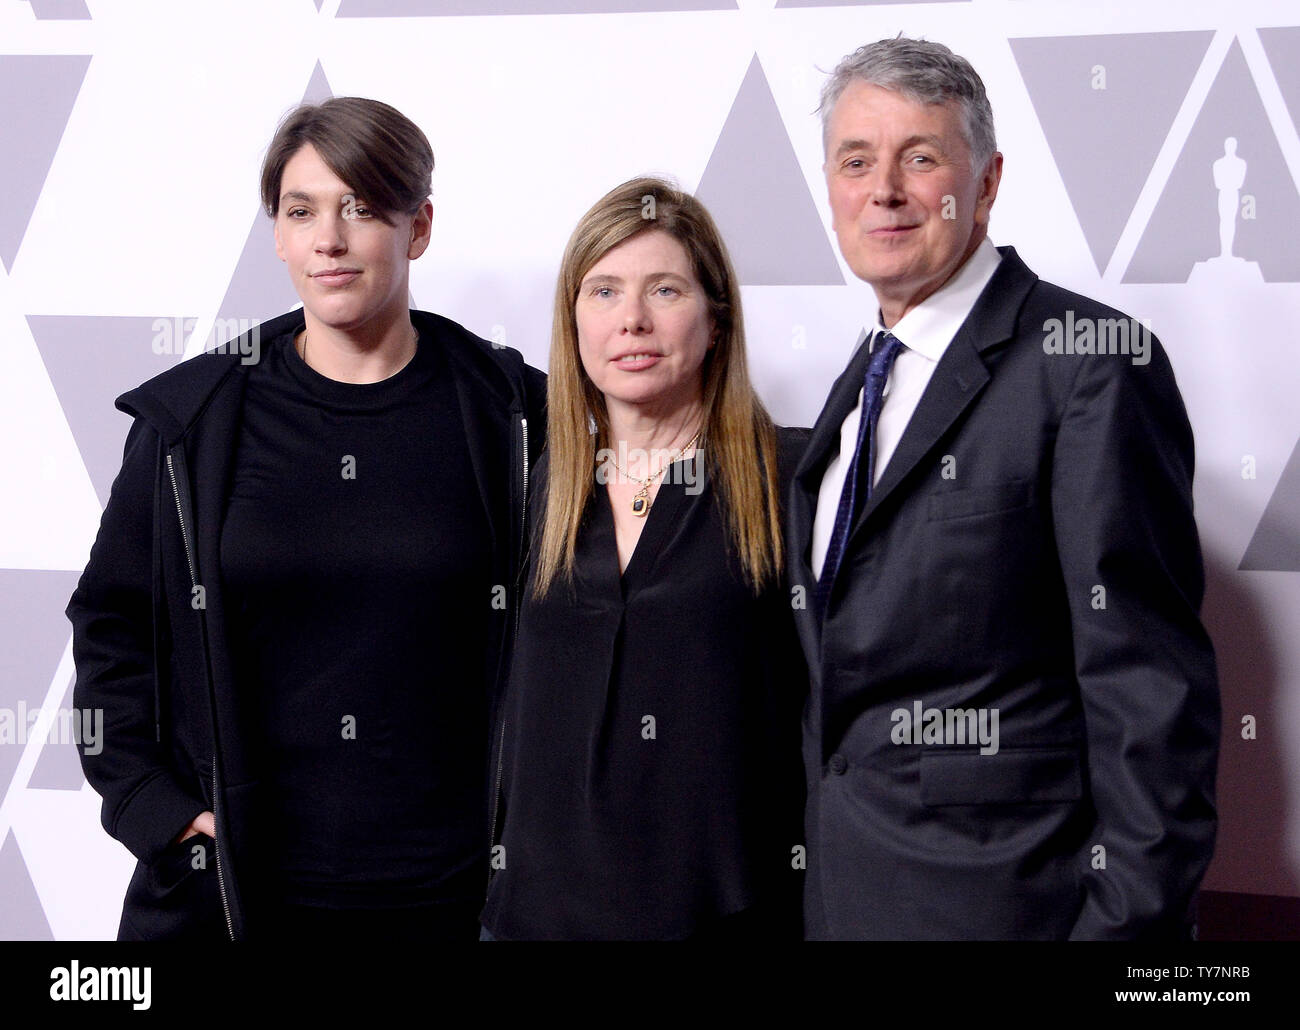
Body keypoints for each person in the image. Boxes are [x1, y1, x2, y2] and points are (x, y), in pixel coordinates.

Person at [66, 97, 546, 941]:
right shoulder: (195, 420)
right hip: (244, 901)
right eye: (302, 211)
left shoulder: (509, 410)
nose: (329, 238)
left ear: (419, 226)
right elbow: (111, 627)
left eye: (361, 208)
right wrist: (154, 808)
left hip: (463, 900)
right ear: (280, 234)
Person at [788, 37, 1219, 939]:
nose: (885, 190)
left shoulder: (1091, 366)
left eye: (921, 157)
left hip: (1011, 909)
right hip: (844, 903)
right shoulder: (861, 380)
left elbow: (1150, 697)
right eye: (856, 161)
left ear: (984, 184)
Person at [479, 177, 808, 940]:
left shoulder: (790, 481)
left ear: (716, 319)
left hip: (733, 918)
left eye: (664, 289)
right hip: (535, 922)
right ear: (573, 323)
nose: (631, 320)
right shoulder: (538, 492)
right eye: (602, 292)